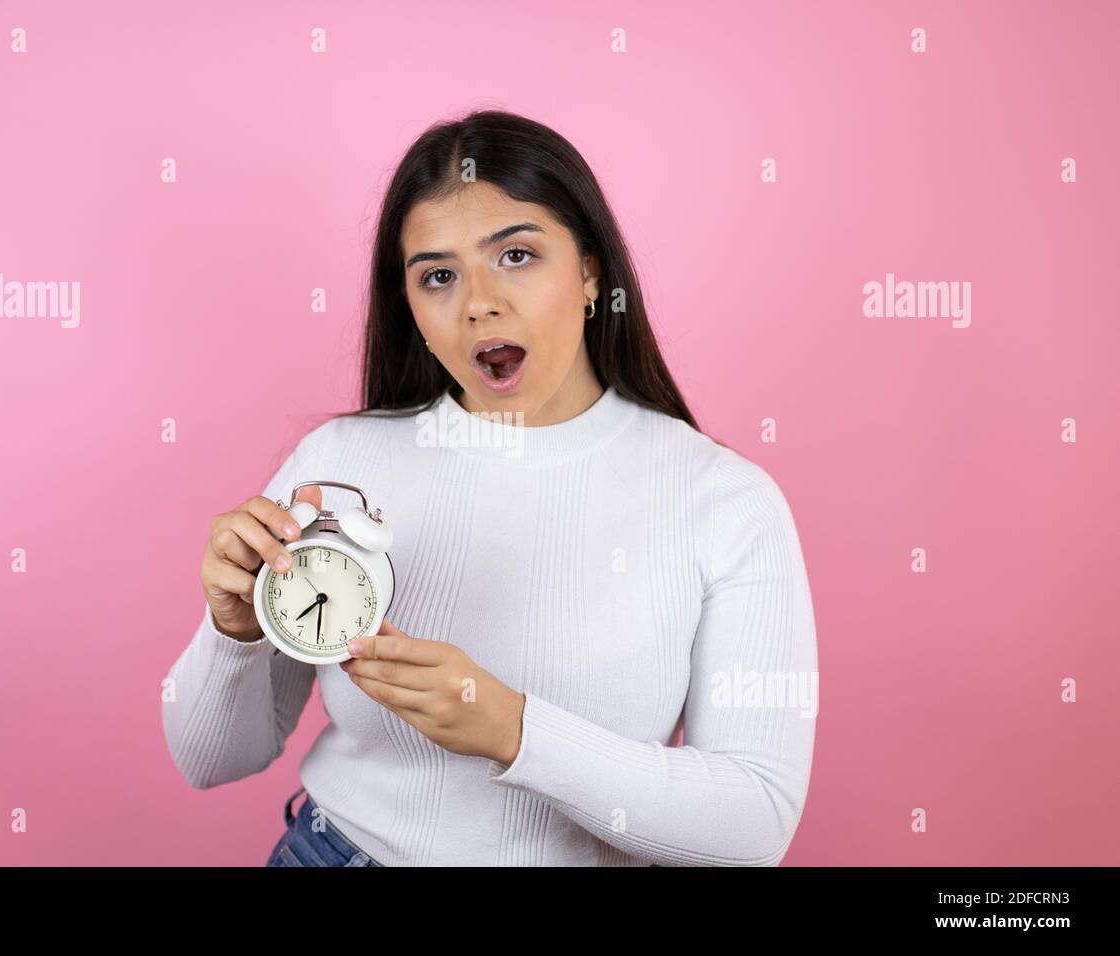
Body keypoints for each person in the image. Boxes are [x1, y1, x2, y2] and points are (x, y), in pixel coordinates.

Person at [162, 109, 818, 867]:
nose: (477, 301)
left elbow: (755, 823)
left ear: (590, 272)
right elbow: (208, 762)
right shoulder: (342, 463)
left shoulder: (725, 501)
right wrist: (234, 632)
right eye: (438, 275)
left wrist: (510, 729)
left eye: (516, 255)